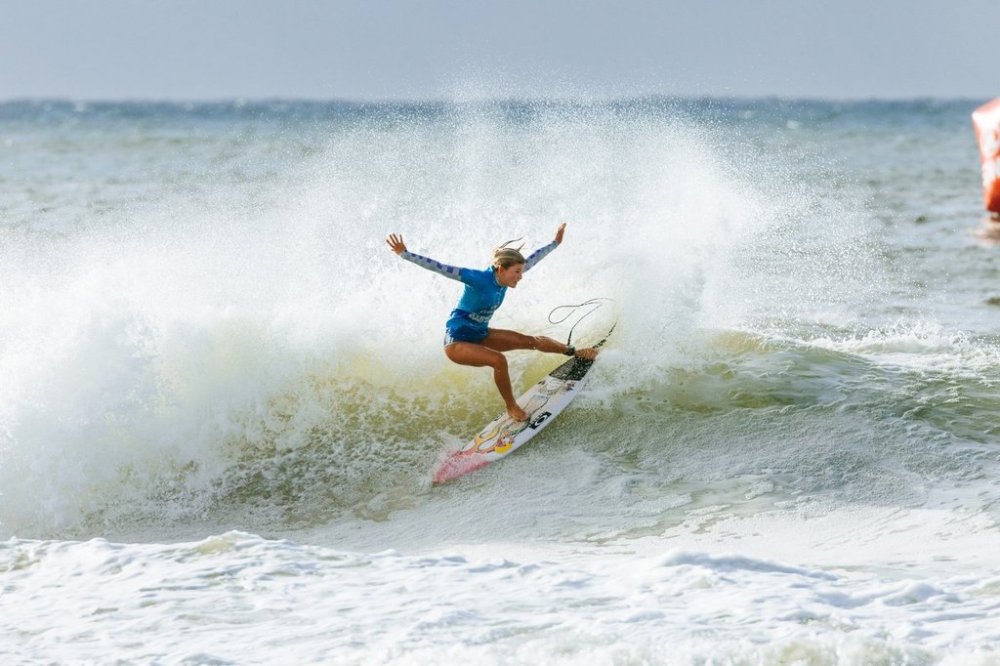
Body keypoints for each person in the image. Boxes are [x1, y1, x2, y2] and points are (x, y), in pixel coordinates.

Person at [386, 223, 598, 421]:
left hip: (480, 333)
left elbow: (535, 258)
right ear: (501, 269)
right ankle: (511, 407)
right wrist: (405, 254)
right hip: (456, 342)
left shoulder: (507, 276)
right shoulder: (477, 278)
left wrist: (555, 243)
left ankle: (575, 352)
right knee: (498, 360)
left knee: (531, 340)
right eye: (517, 273)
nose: (520, 277)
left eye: (521, 272)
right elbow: (440, 267)